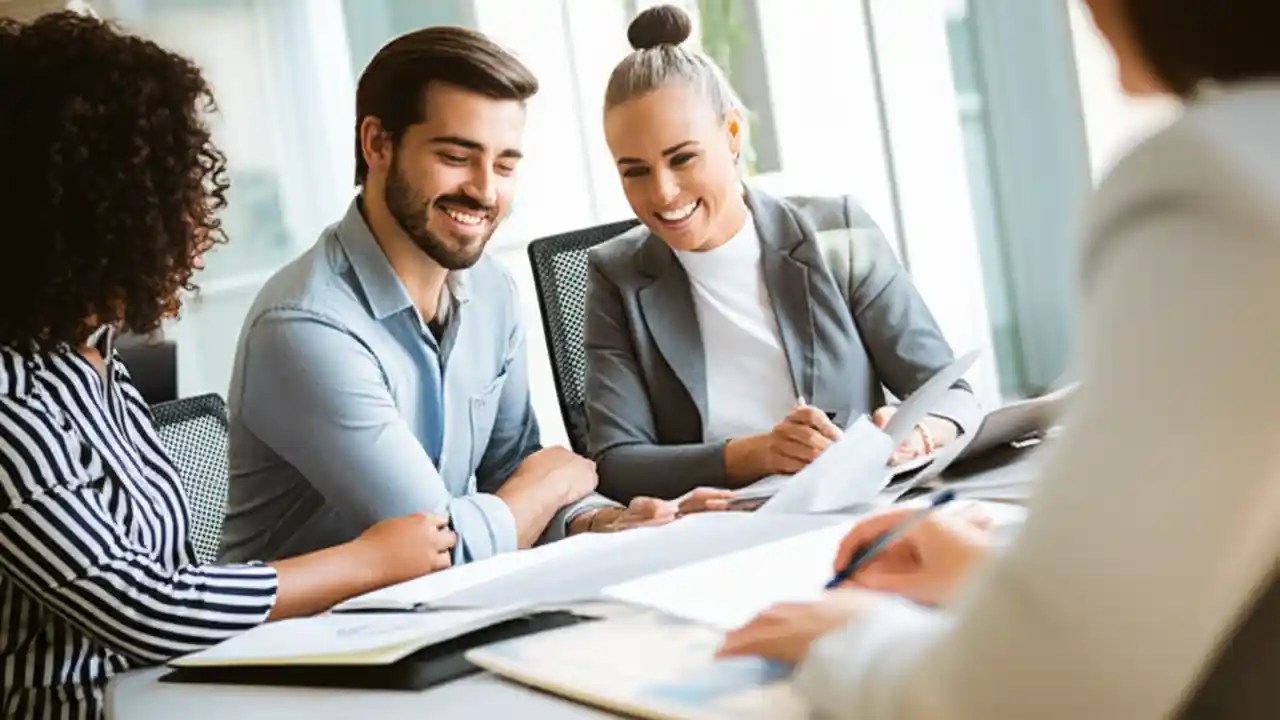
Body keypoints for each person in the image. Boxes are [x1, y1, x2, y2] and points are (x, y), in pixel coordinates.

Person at [719, 0, 1280, 717]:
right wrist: (1002, 580)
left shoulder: (1218, 182)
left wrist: (850, 638)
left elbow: (1041, 690)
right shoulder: (618, 277)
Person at [0, 13, 459, 719]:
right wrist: (366, 562)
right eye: (172, 198)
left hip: (178, 695)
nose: (196, 228)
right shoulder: (12, 402)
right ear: (91, 216)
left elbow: (176, 580)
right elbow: (146, 607)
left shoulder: (97, 359)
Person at [220, 26, 731, 567]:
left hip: (439, 613)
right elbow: (443, 545)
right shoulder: (304, 328)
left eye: (505, 164)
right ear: (377, 144)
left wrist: (601, 521)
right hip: (301, 642)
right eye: (457, 156)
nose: (486, 190)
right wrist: (547, 486)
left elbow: (511, 469)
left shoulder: (490, 290)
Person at [585, 5, 981, 502]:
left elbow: (952, 396)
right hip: (716, 528)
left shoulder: (838, 232)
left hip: (853, 510)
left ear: (731, 135)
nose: (662, 192)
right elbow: (618, 463)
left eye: (682, 158)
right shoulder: (615, 276)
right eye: (634, 171)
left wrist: (917, 435)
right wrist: (760, 453)